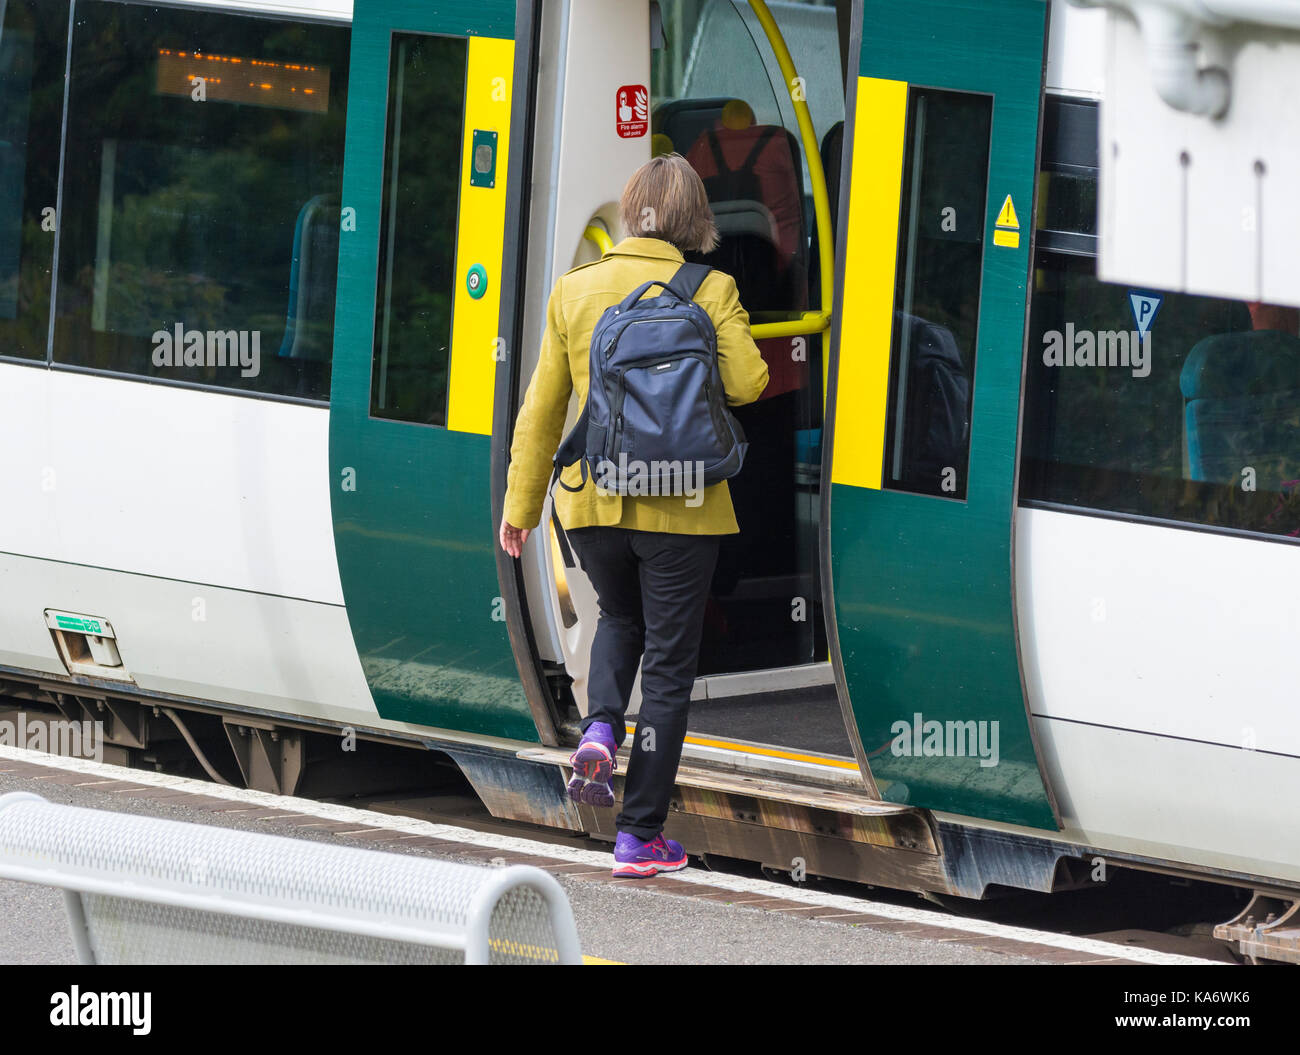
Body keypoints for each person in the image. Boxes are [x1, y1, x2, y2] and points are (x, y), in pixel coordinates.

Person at [499, 154, 769, 877]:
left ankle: (598, 726)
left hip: (593, 503)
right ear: (694, 220)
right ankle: (638, 834)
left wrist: (520, 507)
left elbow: (540, 412)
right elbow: (750, 382)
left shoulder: (574, 290)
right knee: (673, 673)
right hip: (682, 509)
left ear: (630, 210)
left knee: (619, 619)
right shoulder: (711, 287)